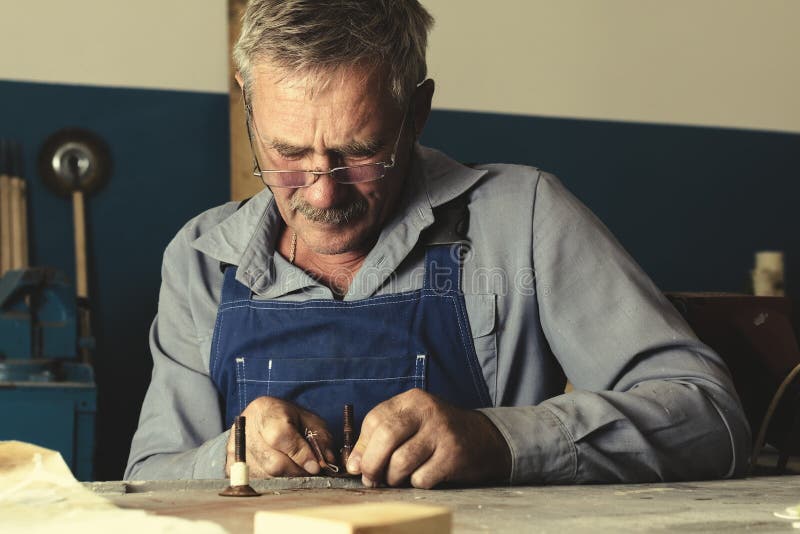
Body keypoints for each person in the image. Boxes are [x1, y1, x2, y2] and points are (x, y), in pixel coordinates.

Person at [126, 0, 750, 488]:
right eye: (287, 153)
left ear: (417, 111)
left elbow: (710, 419)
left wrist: (498, 441)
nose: (320, 193)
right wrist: (233, 454)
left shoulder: (522, 220)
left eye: (361, 152)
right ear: (249, 108)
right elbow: (148, 480)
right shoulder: (203, 259)